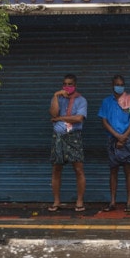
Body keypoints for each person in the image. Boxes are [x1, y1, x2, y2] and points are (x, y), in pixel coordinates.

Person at [98, 74, 130, 212]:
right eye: (117, 84)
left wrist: (124, 137)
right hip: (112, 139)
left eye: (121, 84)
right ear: (112, 85)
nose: (119, 87)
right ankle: (113, 202)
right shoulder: (106, 102)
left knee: (128, 170)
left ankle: (129, 202)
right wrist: (116, 136)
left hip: (127, 139)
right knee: (113, 170)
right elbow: (104, 121)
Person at [49, 73, 88, 212]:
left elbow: (78, 118)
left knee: (78, 169)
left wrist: (60, 118)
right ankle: (56, 201)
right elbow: (53, 114)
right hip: (58, 136)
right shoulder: (58, 98)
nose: (67, 86)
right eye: (65, 84)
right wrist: (55, 96)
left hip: (74, 136)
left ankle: (79, 201)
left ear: (75, 85)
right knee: (56, 169)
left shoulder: (81, 100)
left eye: (70, 84)